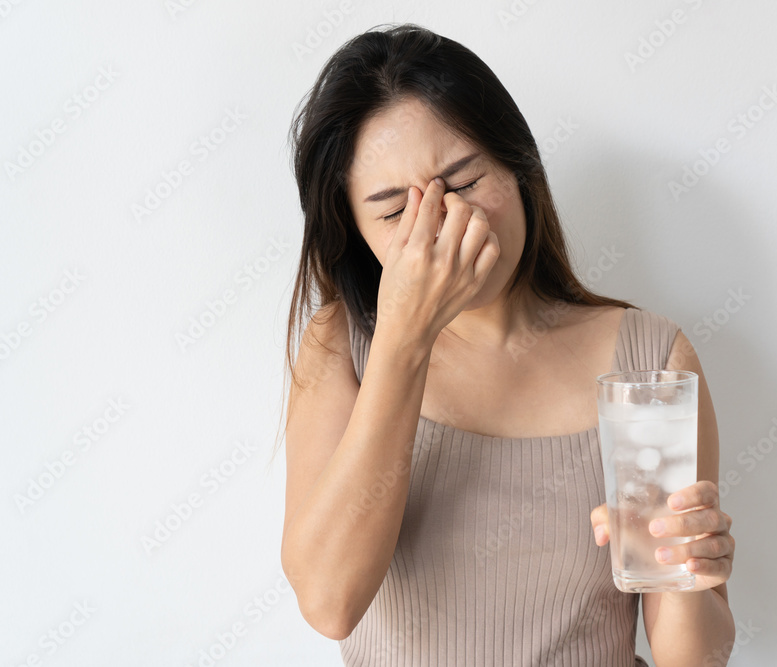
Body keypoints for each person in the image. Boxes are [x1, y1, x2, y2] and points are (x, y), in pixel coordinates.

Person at [278, 23, 735, 667]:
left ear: (519, 169)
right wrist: (406, 338)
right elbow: (329, 603)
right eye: (392, 212)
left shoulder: (647, 362)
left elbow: (693, 655)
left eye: (463, 182)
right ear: (357, 234)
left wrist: (692, 568)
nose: (443, 224)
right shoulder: (341, 346)